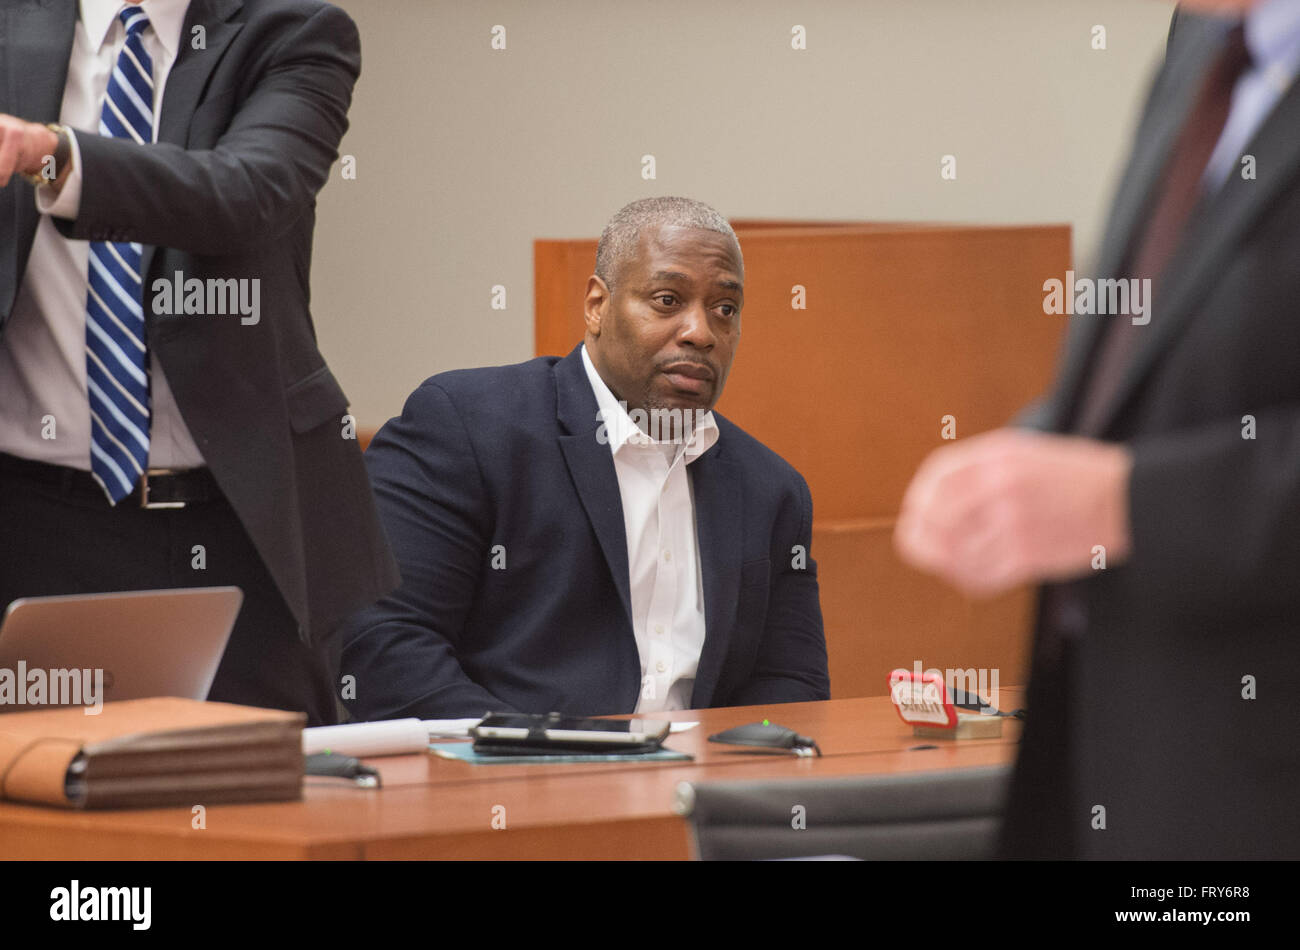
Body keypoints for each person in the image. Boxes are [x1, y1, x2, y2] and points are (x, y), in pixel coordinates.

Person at [894, 0, 1300, 859]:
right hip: (1125, 776)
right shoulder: (1202, 45)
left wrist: (1127, 505)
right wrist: (1038, 451)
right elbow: (1153, 356)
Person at [0, 0, 398, 726]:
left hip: (236, 526)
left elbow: (245, 192)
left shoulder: (294, 30)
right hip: (30, 522)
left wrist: (48, 153)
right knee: (36, 816)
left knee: (262, 811)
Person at [342, 197, 830, 720]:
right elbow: (381, 646)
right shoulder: (468, 425)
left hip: (697, 788)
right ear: (597, 306)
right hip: (512, 783)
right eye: (667, 300)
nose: (701, 332)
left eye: (725, 310)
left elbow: (790, 684)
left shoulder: (770, 490)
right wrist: (547, 759)